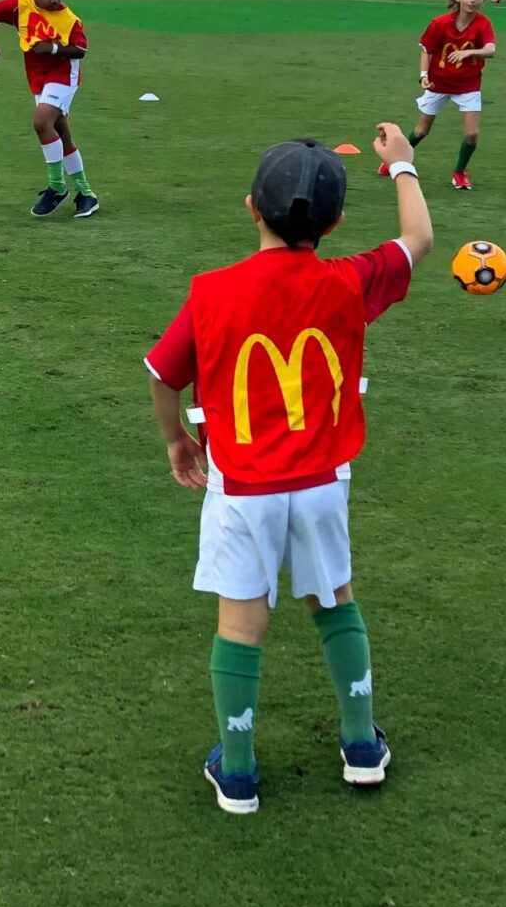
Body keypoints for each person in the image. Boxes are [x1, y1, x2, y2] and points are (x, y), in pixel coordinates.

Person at [144, 129, 431, 813]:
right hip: (323, 483)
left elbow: (162, 372)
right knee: (336, 605)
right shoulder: (348, 280)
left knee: (240, 627)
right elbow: (418, 240)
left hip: (243, 491)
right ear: (333, 223)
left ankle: (238, 772)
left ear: (252, 208)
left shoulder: (213, 292)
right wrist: (402, 166)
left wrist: (177, 440)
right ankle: (361, 746)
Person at [0, 0, 98, 218]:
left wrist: (53, 48)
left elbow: (81, 50)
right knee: (61, 133)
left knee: (42, 122)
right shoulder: (21, 5)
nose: (55, 0)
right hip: (39, 80)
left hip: (64, 76)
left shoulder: (69, 19)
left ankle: (57, 186)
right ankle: (86, 194)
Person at [382, 0, 496, 190]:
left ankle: (460, 173)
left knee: (472, 134)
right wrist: (424, 76)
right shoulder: (440, 23)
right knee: (421, 131)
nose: (473, 0)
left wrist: (470, 52)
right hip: (439, 84)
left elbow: (491, 50)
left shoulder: (483, 24)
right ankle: (392, 160)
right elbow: (427, 50)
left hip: (468, 85)